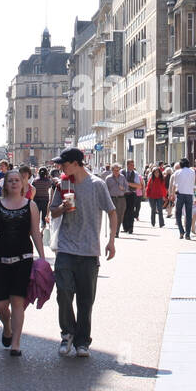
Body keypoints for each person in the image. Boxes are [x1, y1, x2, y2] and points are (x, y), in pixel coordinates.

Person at [49, 148, 116, 358]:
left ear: (77, 163)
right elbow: (52, 212)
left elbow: (112, 212)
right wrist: (61, 208)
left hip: (89, 250)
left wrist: (111, 241)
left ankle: (82, 341)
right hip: (66, 248)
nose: (61, 167)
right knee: (64, 292)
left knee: (86, 301)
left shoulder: (97, 185)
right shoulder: (63, 184)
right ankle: (67, 332)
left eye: (64, 163)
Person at [0, 170, 46, 357]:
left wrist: (42, 257)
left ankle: (16, 343)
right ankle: (7, 327)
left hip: (23, 259)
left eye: (17, 180)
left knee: (17, 301)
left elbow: (35, 232)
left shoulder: (30, 205)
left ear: (23, 183)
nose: (14, 183)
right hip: (1, 259)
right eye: (10, 181)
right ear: (5, 185)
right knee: (1, 305)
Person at [170, 157, 196, 240]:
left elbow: (175, 184)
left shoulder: (177, 172)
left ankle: (181, 231)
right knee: (188, 215)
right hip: (189, 194)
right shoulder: (192, 172)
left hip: (180, 194)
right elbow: (193, 182)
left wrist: (172, 194)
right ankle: (187, 234)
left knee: (178, 214)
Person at [105, 163, 129, 238]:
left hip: (121, 199)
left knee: (120, 216)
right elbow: (105, 190)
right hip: (112, 199)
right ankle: (112, 232)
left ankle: (117, 231)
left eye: (118, 170)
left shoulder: (122, 177)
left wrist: (123, 189)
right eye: (115, 170)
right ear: (112, 170)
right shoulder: (108, 178)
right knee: (112, 216)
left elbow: (127, 188)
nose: (116, 172)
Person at [124, 159, 142, 230]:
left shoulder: (135, 174)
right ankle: (125, 227)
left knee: (131, 211)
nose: (132, 166)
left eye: (133, 165)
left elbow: (138, 186)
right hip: (123, 194)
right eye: (131, 165)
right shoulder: (122, 172)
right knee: (124, 211)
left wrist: (128, 183)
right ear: (127, 165)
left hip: (132, 194)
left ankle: (131, 227)